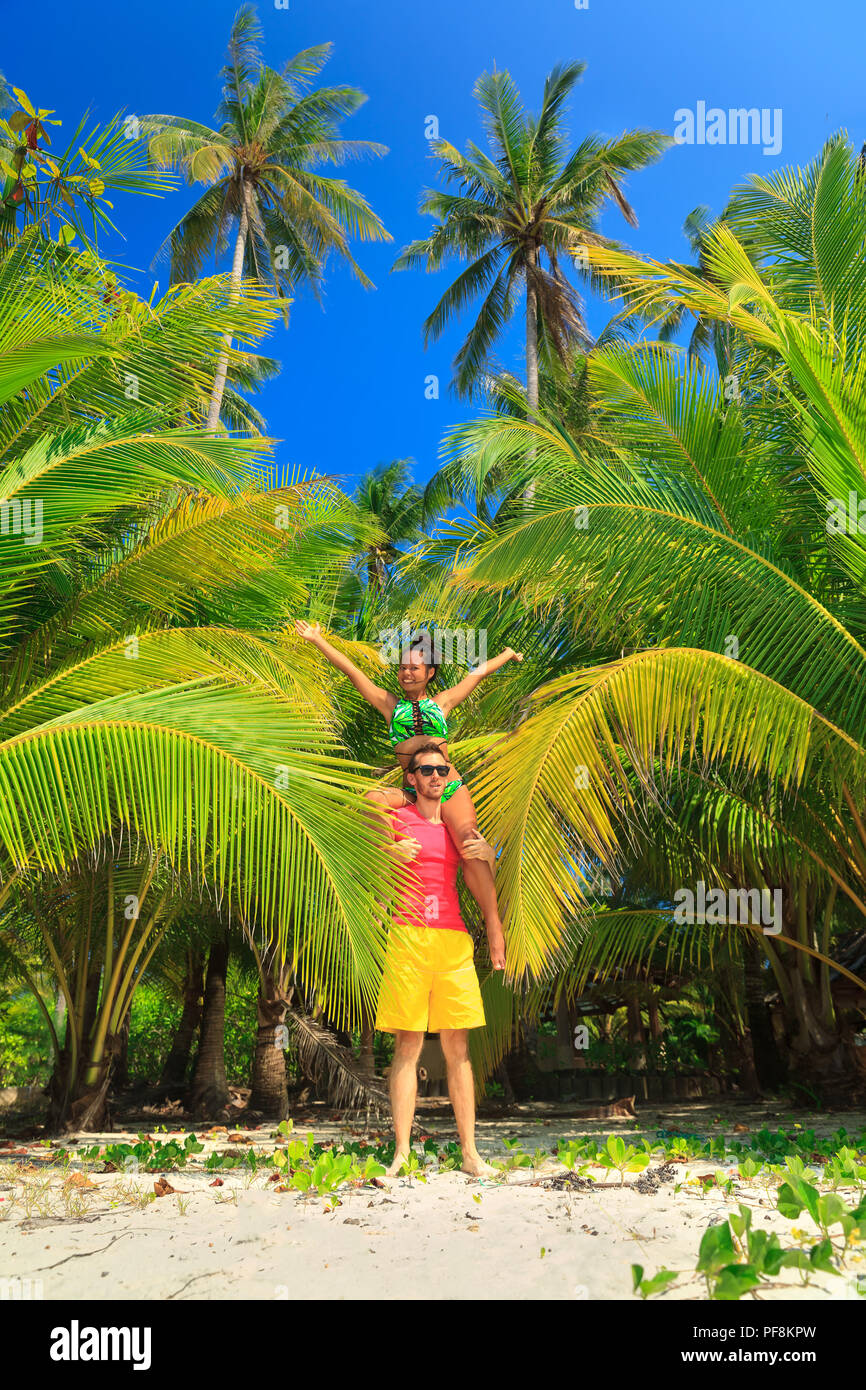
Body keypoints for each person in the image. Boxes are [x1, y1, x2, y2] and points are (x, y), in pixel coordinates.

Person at [294, 619, 519, 969]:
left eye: (414, 668)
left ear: (430, 672)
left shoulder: (442, 703)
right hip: (413, 788)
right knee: (372, 800)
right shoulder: (390, 705)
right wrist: (317, 639)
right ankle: (391, 863)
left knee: (469, 843)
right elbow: (352, 671)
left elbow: (477, 673)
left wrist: (507, 654)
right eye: (402, 668)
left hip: (448, 786)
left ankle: (493, 923)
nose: (406, 674)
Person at [373, 743, 503, 1179]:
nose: (434, 775)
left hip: (452, 941)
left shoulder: (453, 829)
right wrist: (389, 854)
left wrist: (491, 858)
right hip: (408, 937)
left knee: (458, 1050)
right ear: (411, 778)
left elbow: (476, 874)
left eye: (440, 769)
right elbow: (366, 805)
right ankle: (402, 1153)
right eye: (425, 769)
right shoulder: (398, 819)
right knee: (407, 1046)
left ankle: (470, 1154)